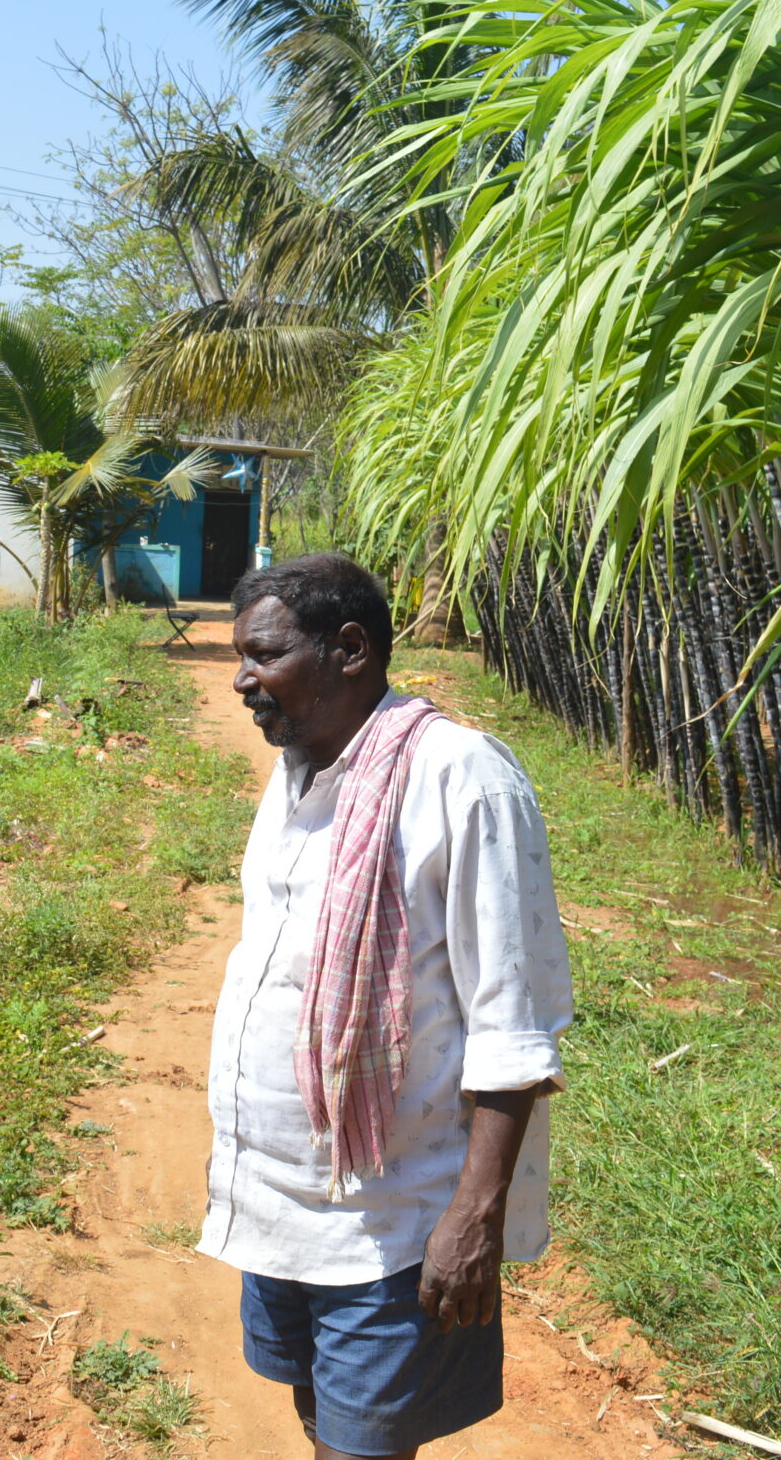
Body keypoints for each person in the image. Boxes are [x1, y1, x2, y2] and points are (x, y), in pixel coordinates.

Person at [200, 553, 571, 1460]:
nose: (243, 680)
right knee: (320, 1416)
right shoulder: (298, 771)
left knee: (365, 1446)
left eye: (264, 655)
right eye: (239, 657)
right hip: (280, 1203)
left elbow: (512, 1025)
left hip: (393, 1224)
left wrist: (474, 1217)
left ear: (351, 650)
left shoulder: (461, 778)